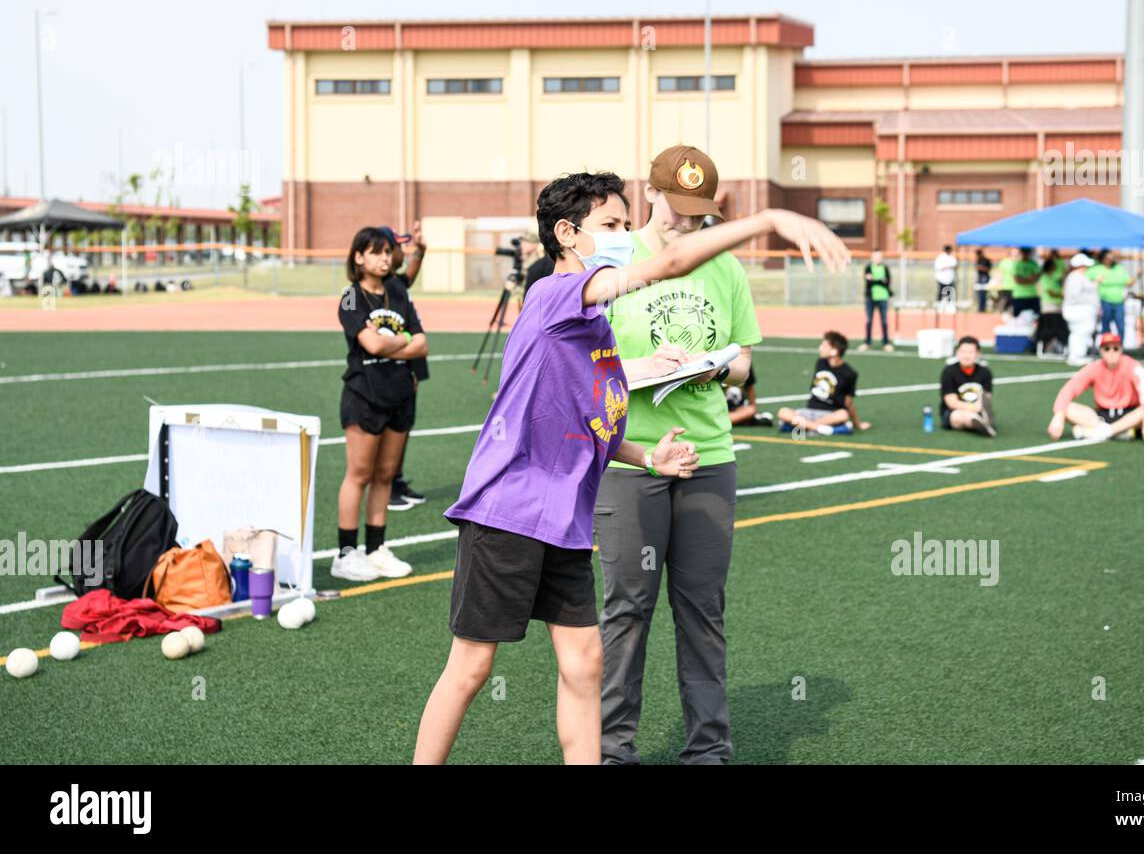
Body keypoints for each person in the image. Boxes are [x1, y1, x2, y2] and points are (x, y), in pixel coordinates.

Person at [411, 171, 849, 765]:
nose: (624, 238)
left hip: (562, 519)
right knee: (473, 666)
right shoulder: (552, 294)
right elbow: (665, 266)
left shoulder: (597, 326)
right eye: (610, 227)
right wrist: (769, 221)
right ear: (567, 234)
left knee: (586, 662)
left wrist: (648, 456)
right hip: (508, 509)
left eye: (623, 225)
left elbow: (593, 422)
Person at [596, 146, 774, 765]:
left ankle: (708, 751)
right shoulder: (615, 258)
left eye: (701, 212)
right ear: (649, 193)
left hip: (709, 458)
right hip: (630, 460)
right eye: (678, 207)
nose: (688, 222)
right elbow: (579, 356)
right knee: (627, 610)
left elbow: (746, 360)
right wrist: (638, 368)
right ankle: (612, 750)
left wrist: (720, 367)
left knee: (703, 611)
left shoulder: (724, 266)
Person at [332, 227, 429, 583]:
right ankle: (345, 553)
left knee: (385, 476)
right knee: (359, 474)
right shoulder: (350, 297)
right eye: (376, 252)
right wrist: (403, 341)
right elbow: (370, 345)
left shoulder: (398, 290)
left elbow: (422, 344)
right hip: (364, 396)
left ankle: (375, 548)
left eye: (388, 251)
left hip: (400, 394)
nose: (385, 258)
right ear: (358, 257)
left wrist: (396, 342)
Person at [378, 224, 428, 510]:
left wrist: (421, 251)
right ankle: (384, 484)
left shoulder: (395, 282)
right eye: (399, 246)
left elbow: (409, 276)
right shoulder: (376, 285)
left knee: (403, 425)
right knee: (389, 428)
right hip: (392, 368)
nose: (402, 251)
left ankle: (394, 479)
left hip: (409, 365)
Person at [1048, 332, 1144, 443]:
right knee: (1068, 408)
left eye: (1115, 348)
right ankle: (1118, 432)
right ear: (1101, 351)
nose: (1111, 352)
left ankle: (1101, 432)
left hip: (1127, 414)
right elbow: (1070, 388)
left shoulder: (1133, 366)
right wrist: (1059, 414)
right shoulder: (1094, 367)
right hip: (1102, 417)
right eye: (1107, 349)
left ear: (1121, 350)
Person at [778, 331, 870, 436]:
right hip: (809, 411)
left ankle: (801, 428)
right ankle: (821, 429)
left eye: (824, 345)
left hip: (829, 414)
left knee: (843, 414)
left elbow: (848, 403)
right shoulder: (821, 362)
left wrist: (858, 424)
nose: (820, 347)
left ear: (834, 351)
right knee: (783, 412)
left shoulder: (849, 373)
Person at [939, 335, 995, 436]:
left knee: (978, 414)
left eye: (970, 352)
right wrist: (973, 408)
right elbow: (951, 402)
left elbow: (986, 398)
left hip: (978, 410)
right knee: (960, 416)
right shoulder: (949, 371)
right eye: (963, 352)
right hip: (953, 412)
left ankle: (982, 422)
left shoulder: (985, 372)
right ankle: (979, 423)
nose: (966, 355)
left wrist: (979, 408)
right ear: (957, 353)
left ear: (978, 354)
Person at [1062, 252, 1100, 365]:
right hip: (1077, 309)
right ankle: (1076, 355)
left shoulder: (1078, 276)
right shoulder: (1075, 277)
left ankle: (1078, 354)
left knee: (1080, 332)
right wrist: (1090, 301)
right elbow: (1075, 295)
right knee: (1080, 331)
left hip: (1078, 309)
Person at [1091, 248, 1133, 341]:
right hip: (1104, 302)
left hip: (1119, 302)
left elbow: (1128, 282)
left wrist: (1136, 276)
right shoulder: (1095, 269)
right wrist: (1096, 282)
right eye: (1108, 258)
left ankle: (1119, 347)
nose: (1110, 260)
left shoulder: (1119, 268)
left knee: (1120, 326)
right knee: (1105, 325)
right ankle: (1106, 345)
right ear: (1103, 259)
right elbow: (1085, 282)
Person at [860, 250, 894, 351]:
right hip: (870, 298)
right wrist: (879, 280)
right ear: (872, 258)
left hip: (883, 297)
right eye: (875, 257)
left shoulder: (885, 268)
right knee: (869, 320)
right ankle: (867, 342)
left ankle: (886, 342)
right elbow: (868, 280)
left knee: (884, 321)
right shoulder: (868, 267)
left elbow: (886, 281)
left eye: (879, 257)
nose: (877, 259)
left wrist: (874, 280)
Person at [1035, 251, 1067, 354]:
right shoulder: (1044, 278)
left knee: (1057, 327)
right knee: (1049, 328)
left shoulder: (1053, 278)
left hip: (1056, 306)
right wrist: (1063, 296)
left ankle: (1055, 345)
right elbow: (1051, 292)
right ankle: (1046, 346)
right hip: (1049, 307)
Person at [1009, 247, 1041, 317]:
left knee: (1035, 317)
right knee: (1018, 318)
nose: (1026, 254)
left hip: (1032, 295)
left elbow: (1036, 278)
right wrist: (1030, 279)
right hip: (1019, 295)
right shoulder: (1016, 264)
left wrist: (1023, 279)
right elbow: (1017, 280)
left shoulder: (1033, 264)